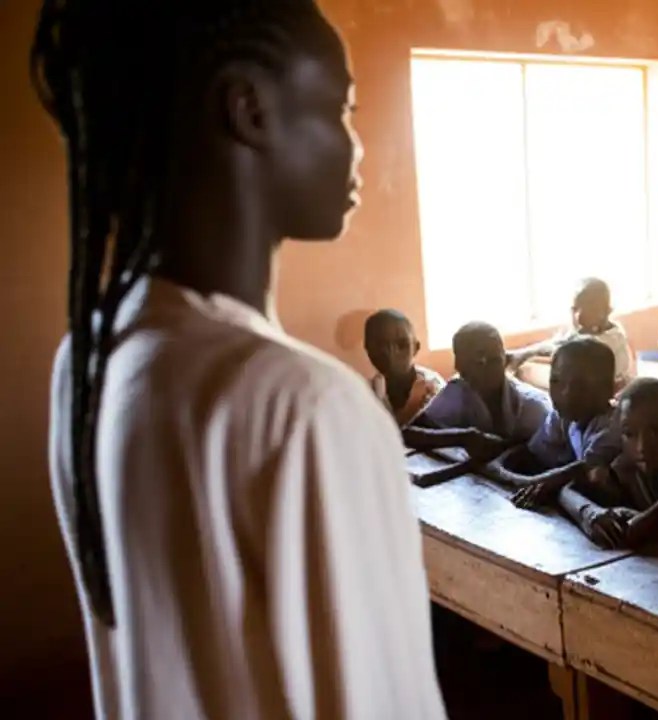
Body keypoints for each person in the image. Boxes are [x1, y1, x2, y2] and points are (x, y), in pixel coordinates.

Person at [34, 2, 446, 716]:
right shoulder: (303, 406)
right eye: (339, 110)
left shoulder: (91, 359)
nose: (357, 145)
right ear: (250, 109)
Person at [558, 378, 658, 549]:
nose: (642, 446)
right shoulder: (626, 470)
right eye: (629, 434)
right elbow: (567, 490)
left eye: (655, 431)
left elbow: (636, 531)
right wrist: (589, 513)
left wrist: (621, 515)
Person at [489, 338, 622, 510]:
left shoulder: (612, 426)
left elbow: (583, 469)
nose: (565, 394)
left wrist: (548, 482)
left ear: (609, 390)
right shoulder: (563, 416)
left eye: (580, 386)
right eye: (556, 381)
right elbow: (534, 453)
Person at [403, 321, 551, 468]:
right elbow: (409, 434)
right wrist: (462, 437)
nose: (488, 368)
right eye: (478, 361)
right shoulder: (459, 391)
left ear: (504, 359)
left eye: (495, 360)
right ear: (459, 365)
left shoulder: (533, 407)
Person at [506, 277, 634, 388]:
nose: (577, 316)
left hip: (601, 389)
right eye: (574, 309)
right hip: (579, 377)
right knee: (525, 367)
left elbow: (563, 353)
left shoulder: (611, 340)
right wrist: (520, 354)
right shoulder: (584, 329)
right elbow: (556, 343)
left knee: (526, 371)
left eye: (586, 308)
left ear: (605, 312)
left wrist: (528, 357)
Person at [364, 309, 446, 427]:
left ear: (416, 348)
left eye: (402, 345)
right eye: (381, 345)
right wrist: (410, 409)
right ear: (368, 349)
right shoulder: (365, 393)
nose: (391, 353)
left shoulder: (433, 385)